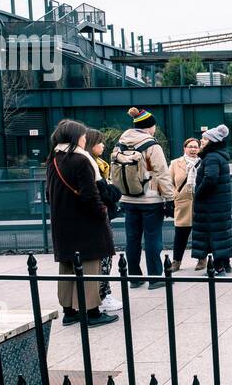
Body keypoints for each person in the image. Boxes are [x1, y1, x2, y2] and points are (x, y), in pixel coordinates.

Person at [47, 119, 117, 327]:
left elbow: (49, 194)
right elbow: (90, 195)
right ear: (76, 137)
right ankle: (92, 312)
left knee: (67, 266)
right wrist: (101, 212)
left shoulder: (53, 158)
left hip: (62, 222)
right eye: (84, 136)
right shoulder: (81, 159)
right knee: (89, 266)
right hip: (85, 223)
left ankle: (69, 311)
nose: (86, 139)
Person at [109, 107, 174, 290]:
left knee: (132, 239)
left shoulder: (120, 144)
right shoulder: (152, 146)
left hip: (128, 199)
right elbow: (163, 174)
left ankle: (135, 277)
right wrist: (169, 199)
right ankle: (155, 277)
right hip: (150, 200)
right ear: (149, 126)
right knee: (153, 239)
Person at [85, 129, 122, 313]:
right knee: (104, 258)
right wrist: (113, 191)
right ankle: (103, 294)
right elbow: (106, 193)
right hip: (100, 217)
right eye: (100, 142)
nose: (103, 145)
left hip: (102, 216)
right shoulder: (92, 165)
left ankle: (103, 293)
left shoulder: (99, 163)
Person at [190, 125, 232, 275]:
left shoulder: (212, 157)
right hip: (219, 203)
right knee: (221, 233)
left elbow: (211, 178)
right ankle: (225, 264)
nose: (201, 141)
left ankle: (219, 268)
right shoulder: (218, 156)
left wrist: (198, 193)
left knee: (213, 234)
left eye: (204, 139)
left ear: (212, 141)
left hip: (211, 205)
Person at [169, 137, 201, 270]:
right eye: (190, 146)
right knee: (181, 234)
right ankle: (176, 261)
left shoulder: (203, 162)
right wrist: (174, 195)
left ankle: (202, 259)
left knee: (200, 234)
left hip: (200, 203)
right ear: (184, 148)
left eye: (196, 147)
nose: (193, 149)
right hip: (182, 203)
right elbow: (168, 182)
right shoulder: (175, 163)